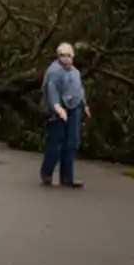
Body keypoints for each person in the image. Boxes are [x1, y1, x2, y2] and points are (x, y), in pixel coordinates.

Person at [39, 42, 91, 188]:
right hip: (58, 109)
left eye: (68, 56)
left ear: (73, 56)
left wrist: (85, 105)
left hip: (75, 108)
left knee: (72, 142)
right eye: (62, 56)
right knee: (57, 141)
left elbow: (79, 90)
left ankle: (67, 177)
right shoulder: (54, 71)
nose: (66, 59)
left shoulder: (75, 72)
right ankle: (46, 172)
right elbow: (51, 90)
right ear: (58, 56)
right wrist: (57, 108)